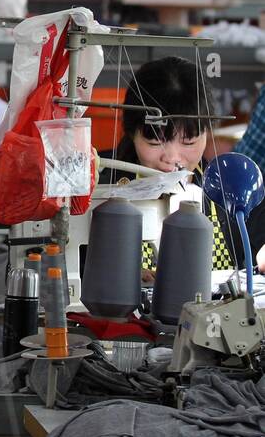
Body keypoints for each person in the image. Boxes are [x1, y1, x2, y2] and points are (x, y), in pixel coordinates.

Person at [105, 57, 262, 280]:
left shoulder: (233, 187)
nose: (172, 158)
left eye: (188, 142)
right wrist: (117, 277)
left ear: (207, 133)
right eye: (154, 142)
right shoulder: (99, 185)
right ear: (132, 132)